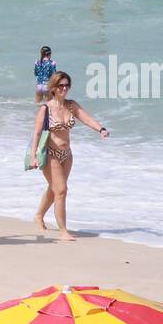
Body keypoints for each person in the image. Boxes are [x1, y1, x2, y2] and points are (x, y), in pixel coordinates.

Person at [29, 71, 109, 241]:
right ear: (53, 87)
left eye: (67, 85)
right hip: (50, 154)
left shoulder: (71, 105)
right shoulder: (45, 109)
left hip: (67, 155)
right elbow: (36, 134)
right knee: (61, 190)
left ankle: (38, 215)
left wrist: (100, 129)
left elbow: (86, 118)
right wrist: (33, 157)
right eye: (61, 86)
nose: (64, 88)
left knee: (55, 189)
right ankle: (63, 230)